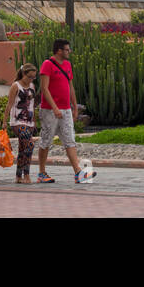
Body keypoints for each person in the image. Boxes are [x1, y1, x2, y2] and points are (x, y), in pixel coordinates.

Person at [36, 38, 94, 184]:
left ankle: (78, 172)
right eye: (67, 49)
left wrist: (74, 106)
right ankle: (42, 172)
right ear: (59, 51)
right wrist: (54, 107)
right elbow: (44, 88)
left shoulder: (67, 65)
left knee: (70, 139)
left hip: (66, 109)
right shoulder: (47, 65)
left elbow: (70, 86)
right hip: (50, 110)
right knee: (46, 140)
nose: (69, 52)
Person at [6, 62, 39, 184]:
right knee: (30, 145)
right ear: (23, 74)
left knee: (23, 148)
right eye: (29, 76)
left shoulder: (32, 86)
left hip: (29, 122)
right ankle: (27, 175)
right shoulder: (16, 86)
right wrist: (5, 122)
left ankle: (18, 176)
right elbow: (9, 104)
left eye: (33, 77)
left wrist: (34, 121)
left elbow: (32, 105)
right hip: (17, 121)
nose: (31, 79)